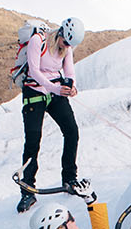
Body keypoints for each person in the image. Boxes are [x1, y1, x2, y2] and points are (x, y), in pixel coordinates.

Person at [16, 16, 90, 213]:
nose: (65, 46)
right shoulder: (38, 41)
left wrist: (70, 86)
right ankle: (27, 189)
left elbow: (70, 71)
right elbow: (34, 70)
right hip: (34, 91)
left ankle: (69, 178)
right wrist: (54, 89)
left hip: (55, 92)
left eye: (69, 45)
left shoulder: (67, 48)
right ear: (60, 33)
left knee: (72, 131)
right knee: (33, 140)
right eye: (65, 42)